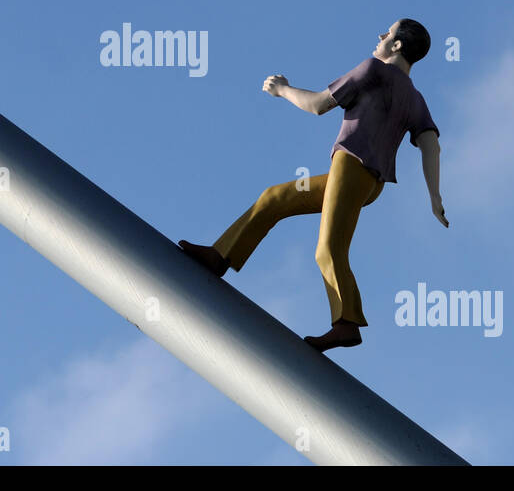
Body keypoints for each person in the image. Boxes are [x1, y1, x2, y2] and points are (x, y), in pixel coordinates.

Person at [178, 18, 448, 353]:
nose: (380, 35)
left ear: (396, 46)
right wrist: (434, 196)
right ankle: (220, 256)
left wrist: (282, 89)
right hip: (369, 182)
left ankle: (346, 322)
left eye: (388, 32)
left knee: (328, 250)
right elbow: (430, 144)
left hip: (352, 166)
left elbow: (319, 105)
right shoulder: (415, 98)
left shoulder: (372, 70)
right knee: (274, 198)